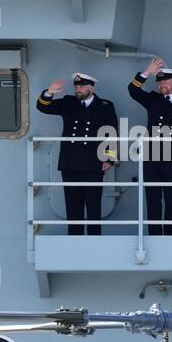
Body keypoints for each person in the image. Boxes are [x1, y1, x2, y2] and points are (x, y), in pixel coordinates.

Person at [35, 72, 118, 235]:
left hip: (93, 163)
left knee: (94, 206)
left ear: (91, 88)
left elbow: (112, 133)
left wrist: (110, 158)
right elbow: (43, 107)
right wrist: (49, 92)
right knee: (73, 208)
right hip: (70, 162)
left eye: (81, 87)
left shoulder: (105, 105)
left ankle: (95, 240)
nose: (78, 90)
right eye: (76, 87)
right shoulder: (68, 102)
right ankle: (74, 241)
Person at [128, 58, 172, 235]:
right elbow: (133, 90)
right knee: (153, 201)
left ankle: (171, 239)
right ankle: (154, 238)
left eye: (166, 81)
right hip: (152, 157)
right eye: (159, 82)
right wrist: (146, 72)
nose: (162, 85)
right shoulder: (152, 99)